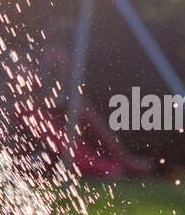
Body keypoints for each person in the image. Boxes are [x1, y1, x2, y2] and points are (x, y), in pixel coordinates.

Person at [18, 45, 153, 178]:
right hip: (29, 112)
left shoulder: (51, 55)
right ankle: (101, 164)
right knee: (43, 117)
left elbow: (61, 91)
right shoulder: (22, 68)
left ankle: (122, 158)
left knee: (80, 105)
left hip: (45, 106)